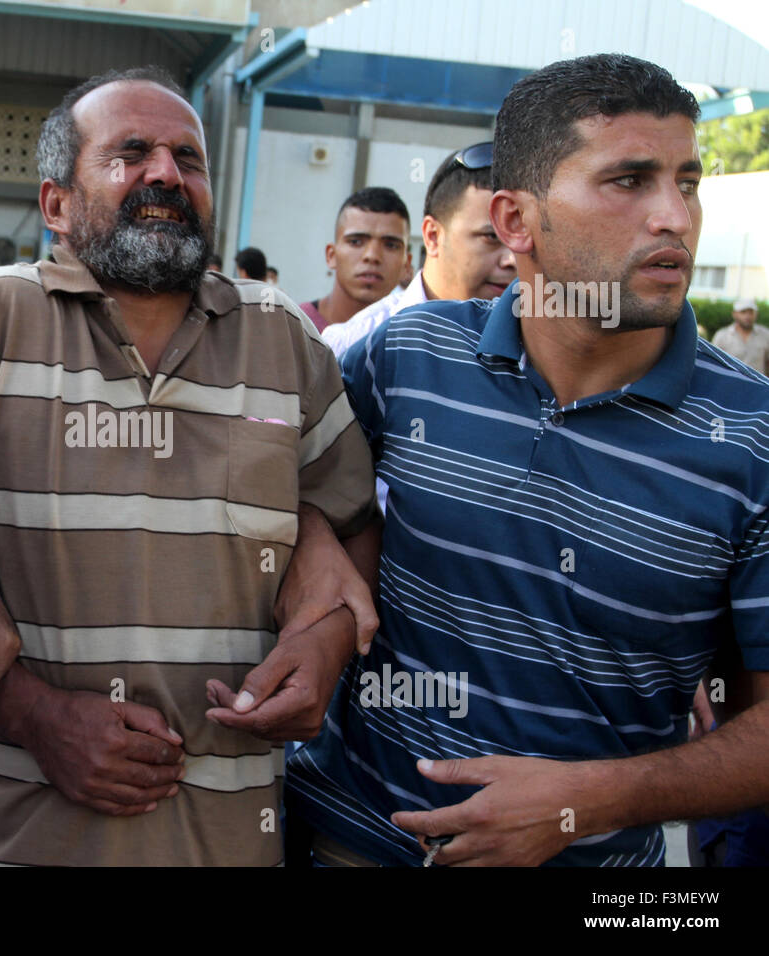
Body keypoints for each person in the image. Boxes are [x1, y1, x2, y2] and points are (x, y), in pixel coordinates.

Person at [286, 52, 769, 868]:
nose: (676, 218)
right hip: (344, 838)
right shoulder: (403, 356)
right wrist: (309, 546)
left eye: (687, 183)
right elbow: (274, 479)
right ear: (515, 221)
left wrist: (589, 801)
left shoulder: (753, 437)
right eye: (630, 180)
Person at [0, 65, 379, 866]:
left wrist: (328, 642)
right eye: (131, 153)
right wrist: (32, 715)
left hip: (230, 840)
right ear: (56, 204)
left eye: (187, 159)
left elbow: (354, 518)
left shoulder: (280, 337)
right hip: (17, 837)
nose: (166, 172)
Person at [322, 143, 518, 357]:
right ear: (433, 236)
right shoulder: (351, 346)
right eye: (491, 237)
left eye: (523, 240)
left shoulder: (541, 355)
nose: (512, 260)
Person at [300, 187, 410, 335]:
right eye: (356, 242)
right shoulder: (290, 330)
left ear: (406, 265)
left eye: (390, 245)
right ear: (331, 255)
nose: (372, 256)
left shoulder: (413, 341)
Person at [712, 298, 769, 373]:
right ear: (734, 314)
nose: (747, 316)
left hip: (757, 383)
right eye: (743, 312)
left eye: (751, 312)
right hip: (730, 382)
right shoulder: (722, 336)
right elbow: (714, 362)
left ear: (756, 314)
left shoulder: (765, 335)